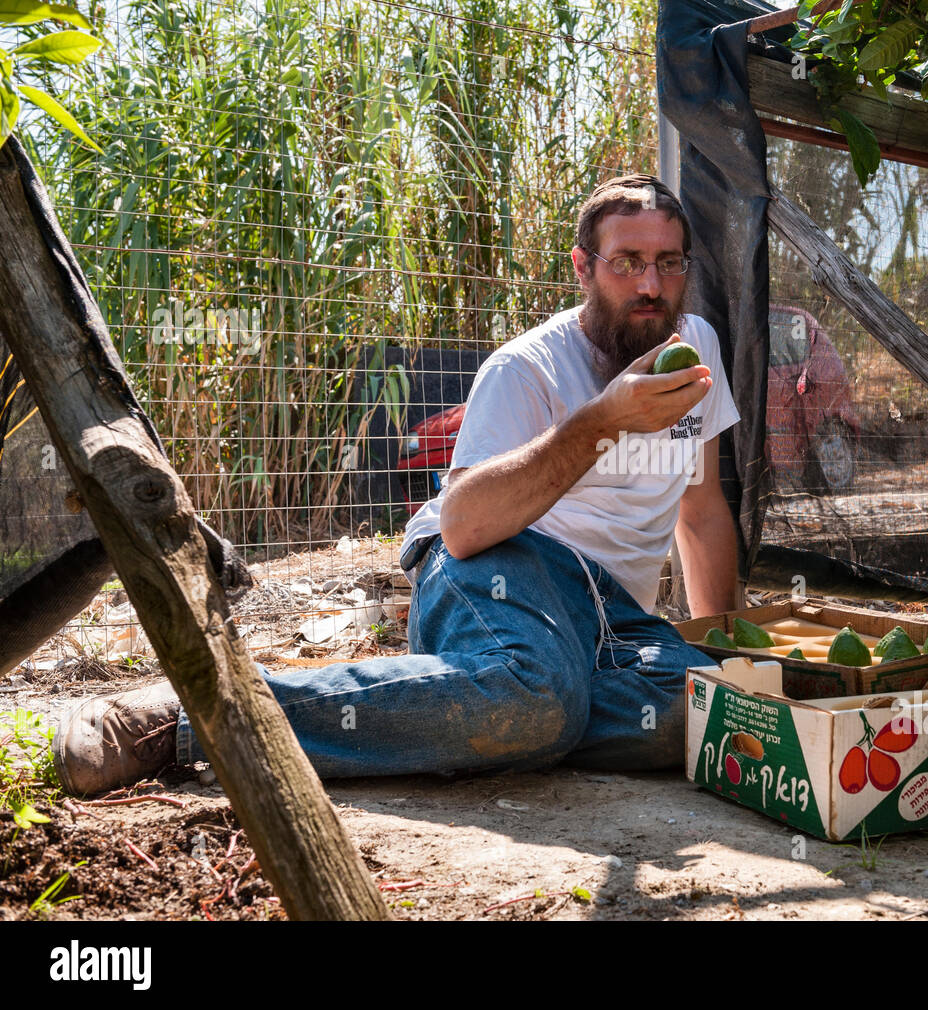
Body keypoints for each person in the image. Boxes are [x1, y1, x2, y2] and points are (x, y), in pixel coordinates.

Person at [53, 174, 742, 795]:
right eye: (627, 262)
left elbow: (702, 510)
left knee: (695, 710)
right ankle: (188, 714)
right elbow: (464, 524)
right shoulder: (526, 368)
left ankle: (497, 708)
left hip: (608, 618)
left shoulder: (697, 349)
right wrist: (604, 420)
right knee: (537, 698)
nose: (650, 285)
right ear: (584, 269)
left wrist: (732, 642)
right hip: (502, 565)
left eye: (667, 263)